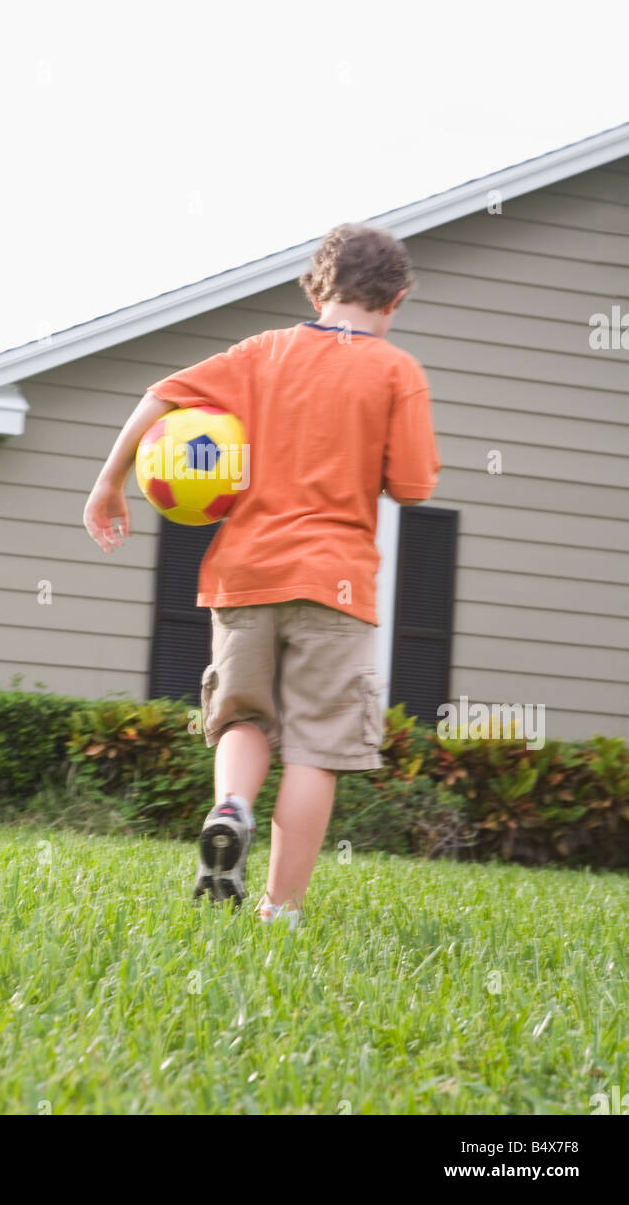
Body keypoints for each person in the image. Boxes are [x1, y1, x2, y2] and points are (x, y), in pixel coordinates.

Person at [83, 223, 440, 929]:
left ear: (315, 288)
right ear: (395, 299)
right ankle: (280, 908)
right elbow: (414, 485)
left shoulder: (261, 353)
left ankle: (231, 806)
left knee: (244, 716)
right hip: (336, 586)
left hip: (244, 576)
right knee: (317, 747)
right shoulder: (397, 370)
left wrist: (109, 485)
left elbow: (162, 396)